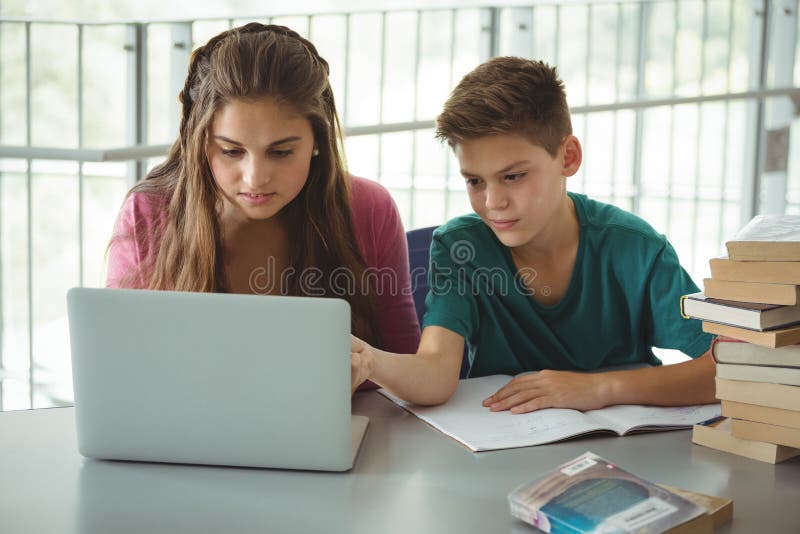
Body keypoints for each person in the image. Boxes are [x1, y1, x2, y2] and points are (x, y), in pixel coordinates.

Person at [350, 57, 716, 413]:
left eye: (513, 176)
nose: (494, 202)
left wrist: (599, 388)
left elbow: (731, 368)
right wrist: (370, 361)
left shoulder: (637, 248)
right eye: (475, 181)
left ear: (568, 157)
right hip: (505, 453)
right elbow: (435, 373)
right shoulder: (459, 248)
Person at [106, 23, 420, 392]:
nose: (255, 179)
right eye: (231, 151)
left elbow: (408, 364)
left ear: (317, 142)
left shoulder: (369, 209)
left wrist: (369, 364)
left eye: (282, 152)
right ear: (199, 141)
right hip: (186, 441)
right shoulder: (150, 212)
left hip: (344, 435)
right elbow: (120, 375)